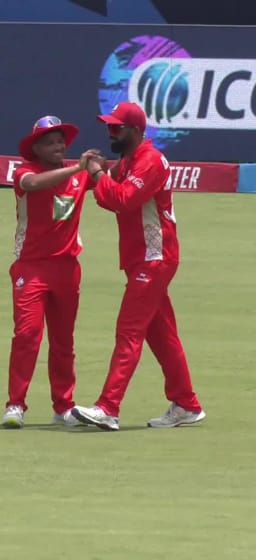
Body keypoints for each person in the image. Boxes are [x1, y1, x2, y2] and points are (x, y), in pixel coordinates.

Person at [72, 102, 206, 431]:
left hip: (155, 258)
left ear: (135, 131)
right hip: (142, 258)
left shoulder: (149, 161)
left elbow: (120, 200)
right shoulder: (130, 160)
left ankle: (108, 407)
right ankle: (187, 404)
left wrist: (99, 173)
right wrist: (91, 170)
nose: (110, 132)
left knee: (129, 331)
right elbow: (107, 194)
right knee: (162, 335)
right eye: (109, 126)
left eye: (117, 128)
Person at [2, 115, 99, 429]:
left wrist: (101, 168)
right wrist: (78, 168)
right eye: (49, 142)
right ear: (37, 147)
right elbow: (33, 185)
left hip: (67, 268)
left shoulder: (79, 174)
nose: (57, 146)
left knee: (63, 341)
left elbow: (108, 182)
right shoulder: (25, 172)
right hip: (31, 267)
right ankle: (16, 405)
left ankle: (64, 406)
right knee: (27, 336)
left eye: (60, 141)